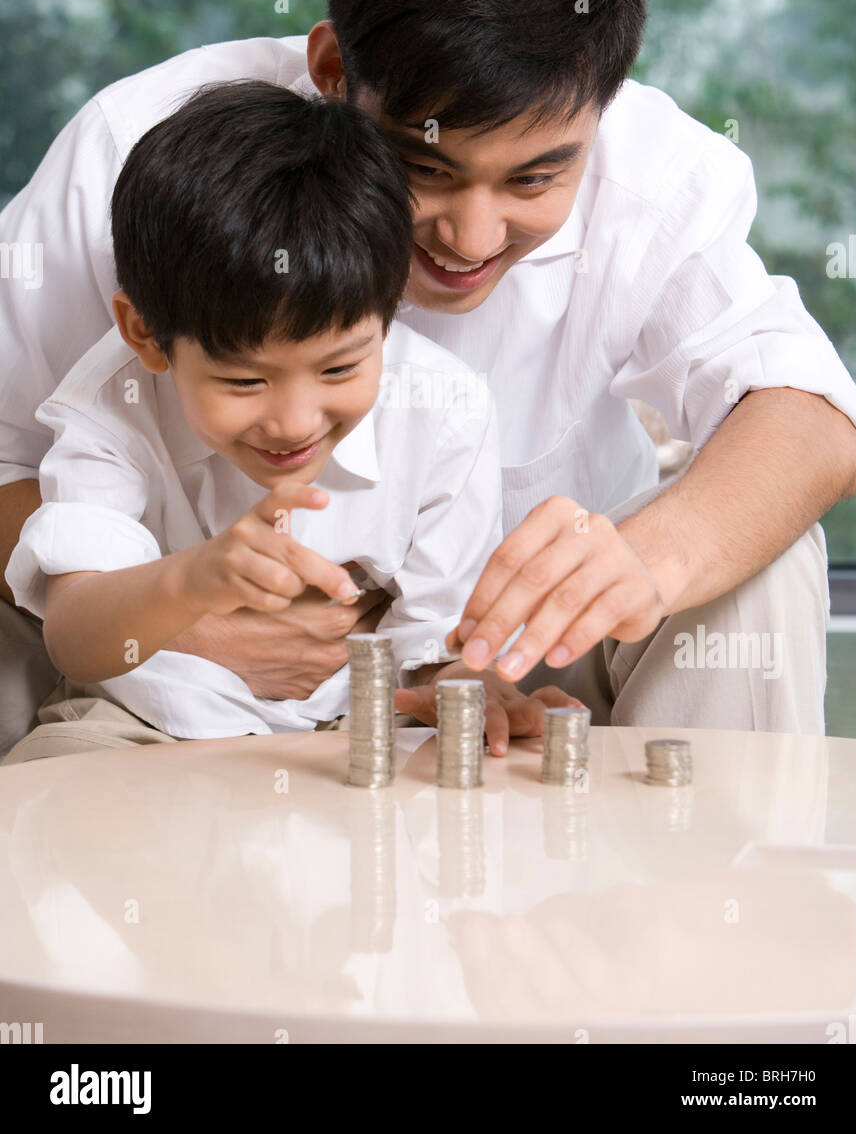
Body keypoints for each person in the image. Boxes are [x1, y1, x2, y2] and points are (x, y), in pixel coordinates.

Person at [2, 0, 856, 751]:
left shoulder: (651, 177)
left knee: (760, 561)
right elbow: (8, 459)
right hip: (162, 659)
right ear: (334, 71)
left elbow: (814, 414)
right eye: (426, 170)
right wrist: (181, 612)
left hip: (518, 645)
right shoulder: (142, 162)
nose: (472, 238)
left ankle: (706, 880)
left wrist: (650, 557)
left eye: (533, 178)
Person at [2, 82, 580, 765]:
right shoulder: (111, 404)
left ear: (388, 312)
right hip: (136, 715)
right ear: (145, 334)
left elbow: (434, 646)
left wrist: (466, 690)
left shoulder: (446, 411)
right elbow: (73, 636)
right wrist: (189, 583)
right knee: (44, 808)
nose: (294, 422)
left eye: (339, 370)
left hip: (358, 727)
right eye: (245, 380)